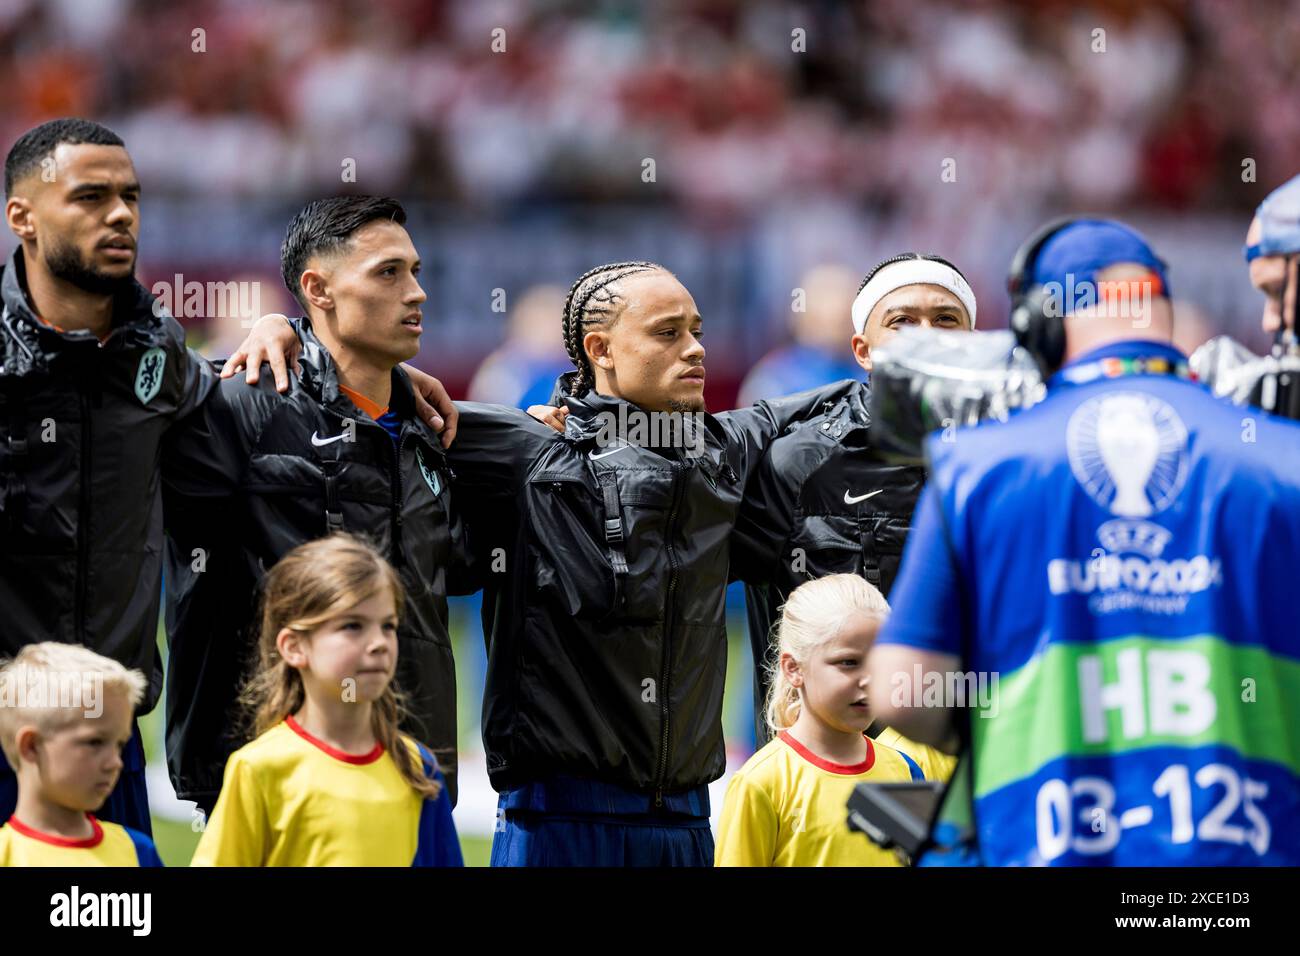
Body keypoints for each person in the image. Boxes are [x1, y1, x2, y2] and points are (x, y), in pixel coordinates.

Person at [868, 218, 1300, 865]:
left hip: (1040, 841)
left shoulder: (977, 466)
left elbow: (903, 690)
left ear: (1039, 326)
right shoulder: (1282, 458)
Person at [450, 260, 854, 866]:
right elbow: (376, 408)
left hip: (689, 825)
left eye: (697, 331)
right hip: (557, 824)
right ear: (600, 349)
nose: (694, 349)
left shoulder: (722, 448)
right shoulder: (528, 451)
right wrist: (289, 332)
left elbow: (843, 404)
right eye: (668, 333)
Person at [0, 118, 295, 833]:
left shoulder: (158, 357)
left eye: (131, 196)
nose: (121, 214)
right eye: (91, 197)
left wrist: (287, 335)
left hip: (109, 733)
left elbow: (248, 404)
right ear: (23, 218)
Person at [162, 196, 468, 816]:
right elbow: (123, 405)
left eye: (416, 271)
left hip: (413, 773)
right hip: (276, 780)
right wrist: (268, 329)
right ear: (317, 288)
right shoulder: (241, 405)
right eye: (388, 273)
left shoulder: (431, 428)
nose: (417, 293)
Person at [731, 253, 976, 745]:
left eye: (946, 319)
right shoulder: (800, 461)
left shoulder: (1007, 459)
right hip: (828, 772)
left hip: (967, 761)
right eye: (902, 320)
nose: (925, 333)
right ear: (863, 350)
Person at [191, 535, 461, 866]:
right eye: (353, 626)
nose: (378, 643)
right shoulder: (259, 769)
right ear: (294, 646)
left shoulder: (419, 768)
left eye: (388, 625)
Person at [715, 575, 951, 867]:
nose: (869, 679)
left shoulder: (906, 771)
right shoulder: (761, 783)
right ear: (793, 668)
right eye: (849, 663)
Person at [0, 642, 162, 866]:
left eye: (120, 745)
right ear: (31, 746)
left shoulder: (138, 852)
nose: (116, 762)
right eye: (95, 742)